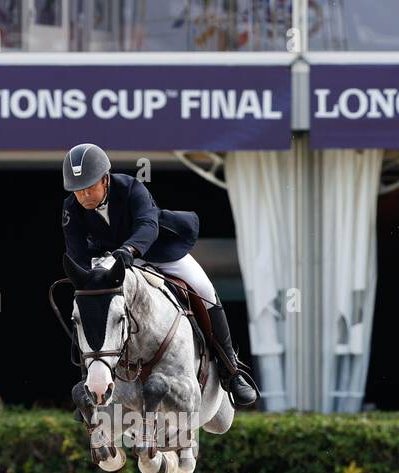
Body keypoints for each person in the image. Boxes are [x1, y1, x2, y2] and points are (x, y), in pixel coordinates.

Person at [60, 143, 259, 407]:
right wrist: (89, 277)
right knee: (88, 302)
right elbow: (76, 251)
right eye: (77, 190)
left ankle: (231, 371)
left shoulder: (131, 188)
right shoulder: (71, 209)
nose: (83, 195)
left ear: (105, 179)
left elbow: (147, 224)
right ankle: (90, 378)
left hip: (156, 251)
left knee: (205, 290)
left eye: (88, 186)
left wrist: (130, 249)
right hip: (113, 263)